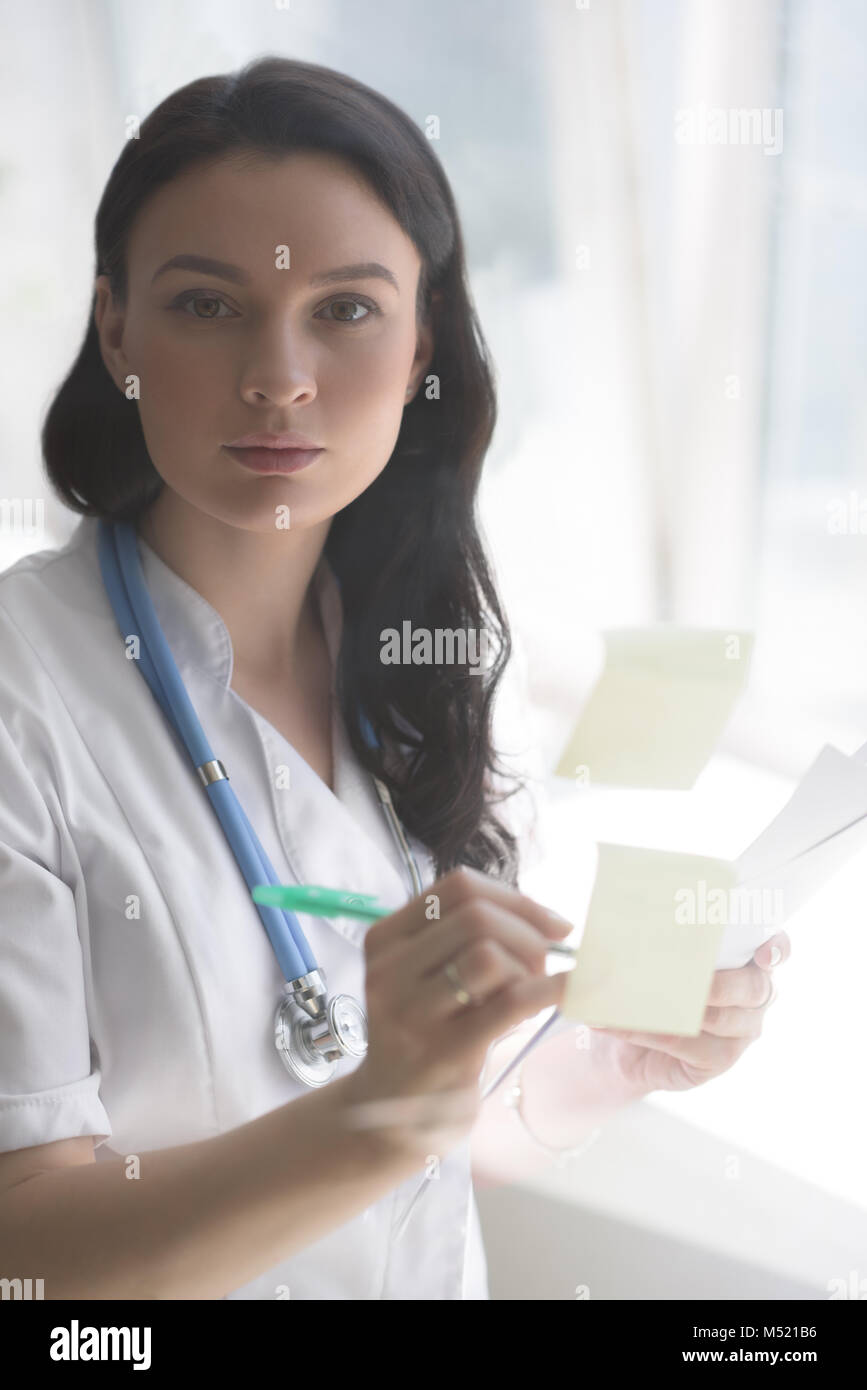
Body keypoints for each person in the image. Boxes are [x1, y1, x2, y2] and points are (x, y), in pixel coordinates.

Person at [0, 55, 787, 1302]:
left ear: (424, 332)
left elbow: (436, 1153)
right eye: (207, 306)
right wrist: (385, 1104)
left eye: (346, 309)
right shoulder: (21, 701)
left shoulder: (437, 665)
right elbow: (31, 1239)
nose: (280, 376)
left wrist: (609, 1068)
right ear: (116, 328)